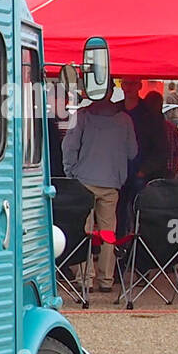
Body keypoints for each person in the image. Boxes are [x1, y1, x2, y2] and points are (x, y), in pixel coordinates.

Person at [62, 95, 138, 291]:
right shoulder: (124, 120)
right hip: (111, 181)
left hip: (84, 180)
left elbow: (69, 147)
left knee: (84, 231)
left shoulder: (82, 116)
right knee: (108, 233)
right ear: (112, 92)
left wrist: (70, 171)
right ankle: (106, 279)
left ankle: (85, 278)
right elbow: (132, 152)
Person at [118, 77, 167, 235]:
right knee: (116, 213)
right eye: (126, 83)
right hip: (115, 172)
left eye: (132, 83)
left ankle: (136, 248)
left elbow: (161, 148)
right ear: (121, 85)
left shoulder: (151, 113)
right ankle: (117, 246)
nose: (129, 87)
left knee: (138, 213)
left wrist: (144, 170)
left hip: (140, 172)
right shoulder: (114, 111)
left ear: (139, 85)